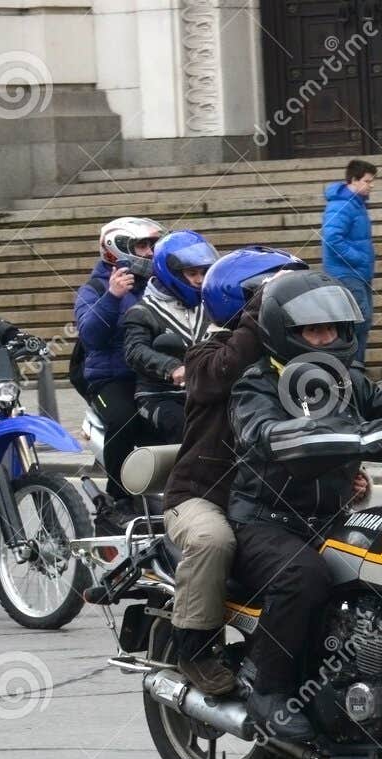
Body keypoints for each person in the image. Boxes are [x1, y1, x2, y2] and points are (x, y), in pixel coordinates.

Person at [227, 271, 382, 738]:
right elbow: (272, 437)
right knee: (302, 577)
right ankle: (266, 688)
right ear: (284, 334)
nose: (325, 340)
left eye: (332, 330)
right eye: (313, 331)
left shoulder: (348, 381)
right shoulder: (256, 386)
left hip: (328, 519)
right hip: (265, 524)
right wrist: (369, 436)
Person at [162, 246, 307, 696]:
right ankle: (195, 649)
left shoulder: (298, 359)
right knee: (212, 541)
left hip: (269, 503)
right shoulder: (206, 355)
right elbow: (224, 373)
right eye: (277, 294)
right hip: (202, 496)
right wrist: (263, 311)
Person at [76, 217, 161, 503]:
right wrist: (113, 297)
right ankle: (119, 497)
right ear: (117, 248)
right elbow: (91, 337)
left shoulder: (158, 284)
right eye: (142, 245)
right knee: (126, 420)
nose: (150, 252)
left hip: (155, 372)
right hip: (112, 377)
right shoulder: (96, 289)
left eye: (153, 244)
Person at [123, 230, 219, 444]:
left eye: (204, 272)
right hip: (160, 395)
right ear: (172, 274)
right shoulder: (143, 311)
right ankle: (185, 478)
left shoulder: (214, 306)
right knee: (186, 432)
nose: (199, 280)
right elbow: (135, 350)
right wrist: (171, 367)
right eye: (192, 273)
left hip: (207, 392)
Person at [320, 158, 377, 363]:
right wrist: (358, 258)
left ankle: (355, 372)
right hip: (346, 274)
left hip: (357, 274)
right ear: (354, 180)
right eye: (368, 181)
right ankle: (351, 372)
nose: (372, 185)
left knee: (361, 323)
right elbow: (331, 237)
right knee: (356, 323)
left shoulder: (355, 204)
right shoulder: (343, 205)